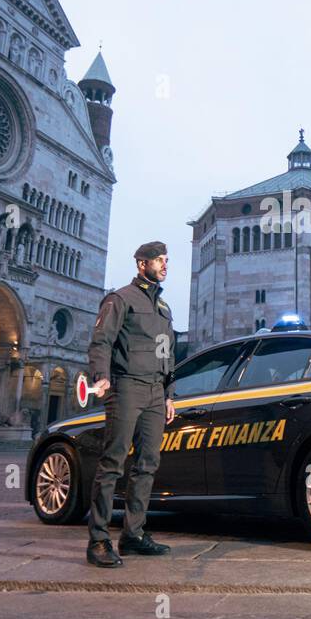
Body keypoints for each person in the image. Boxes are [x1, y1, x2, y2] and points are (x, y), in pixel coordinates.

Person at [85, 241, 176, 567]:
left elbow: (167, 355)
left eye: (167, 260)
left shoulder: (164, 308)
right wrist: (100, 376)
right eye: (160, 261)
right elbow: (102, 341)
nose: (165, 265)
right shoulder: (120, 299)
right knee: (112, 464)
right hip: (125, 388)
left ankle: (133, 535)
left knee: (147, 465)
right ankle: (98, 541)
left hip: (155, 393)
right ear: (142, 264)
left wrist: (169, 394)